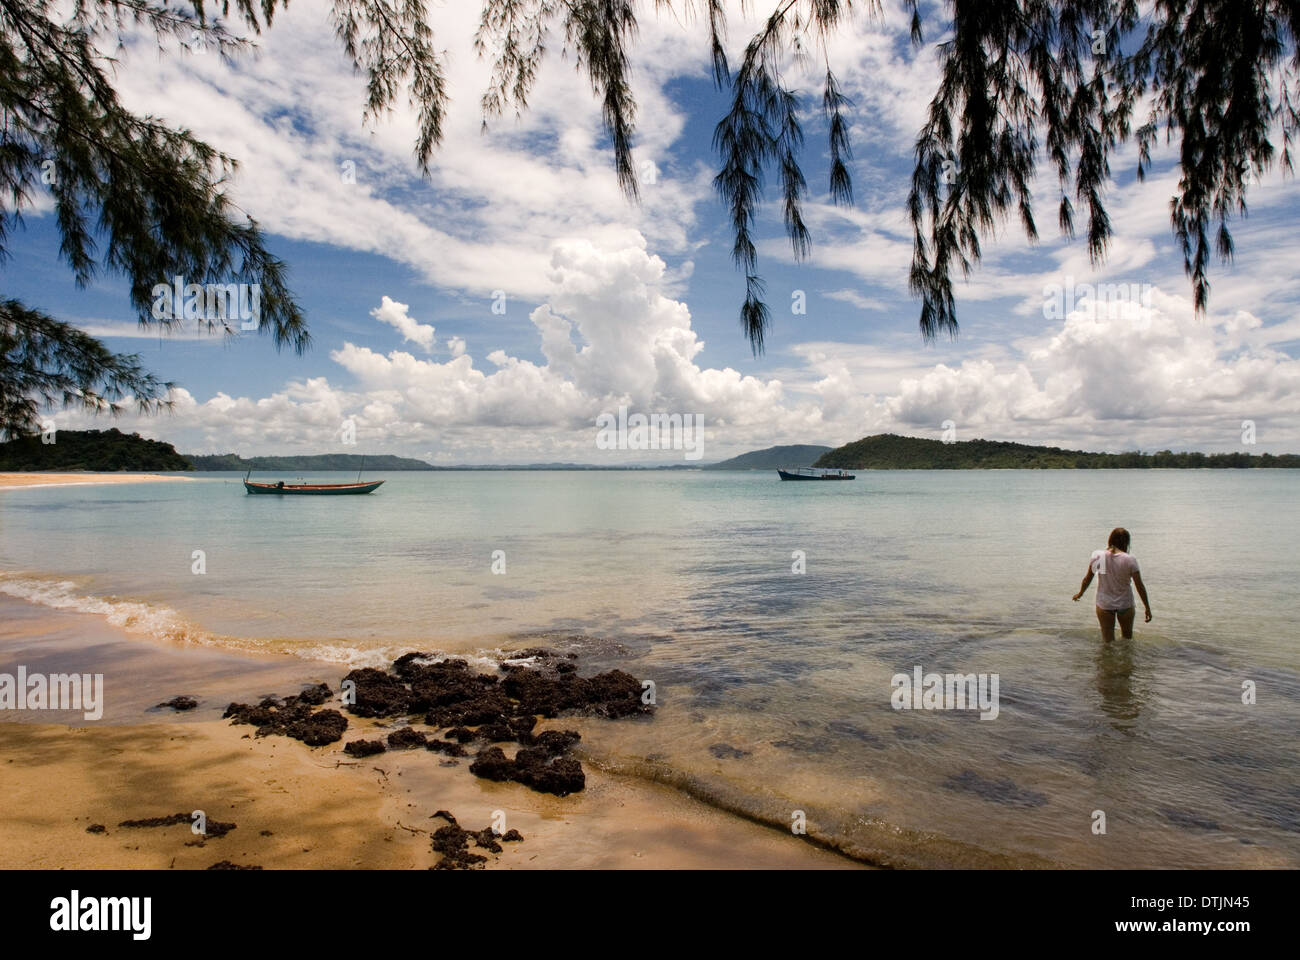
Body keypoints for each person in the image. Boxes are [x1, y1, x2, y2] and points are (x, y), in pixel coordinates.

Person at [1072, 527, 1152, 641]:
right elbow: (1140, 586)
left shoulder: (1098, 556)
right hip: (1125, 604)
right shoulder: (1130, 559)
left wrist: (1080, 594)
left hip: (1105, 604)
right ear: (1126, 542)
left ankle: (1108, 659)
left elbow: (1087, 579)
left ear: (1110, 540)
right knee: (1127, 639)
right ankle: (1126, 659)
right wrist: (1147, 607)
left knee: (1107, 641)